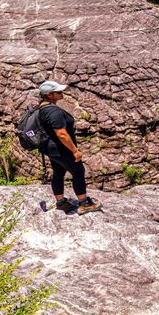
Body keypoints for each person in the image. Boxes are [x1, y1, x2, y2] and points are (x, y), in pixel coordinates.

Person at [37, 80, 101, 215]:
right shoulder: (53, 112)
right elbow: (61, 133)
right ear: (49, 95)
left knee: (58, 173)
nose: (62, 93)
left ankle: (61, 203)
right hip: (61, 149)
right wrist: (75, 150)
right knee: (78, 172)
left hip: (51, 149)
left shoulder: (42, 108)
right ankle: (84, 204)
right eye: (58, 92)